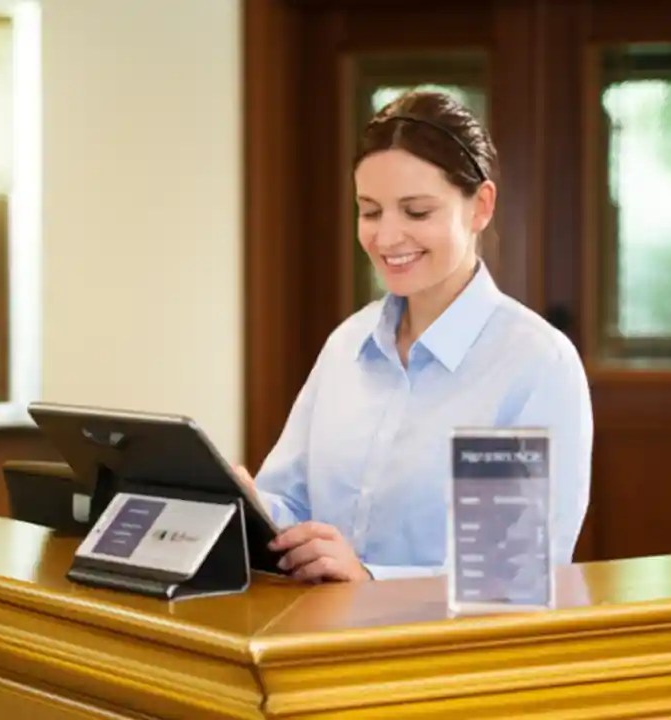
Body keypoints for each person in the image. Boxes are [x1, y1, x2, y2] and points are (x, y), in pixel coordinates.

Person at [236, 90, 592, 583]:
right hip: (314, 629)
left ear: (481, 206)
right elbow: (290, 507)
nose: (386, 238)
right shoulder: (346, 346)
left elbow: (507, 576)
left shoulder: (533, 364)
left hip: (433, 639)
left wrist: (370, 580)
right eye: (370, 211)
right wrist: (245, 503)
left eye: (417, 212)